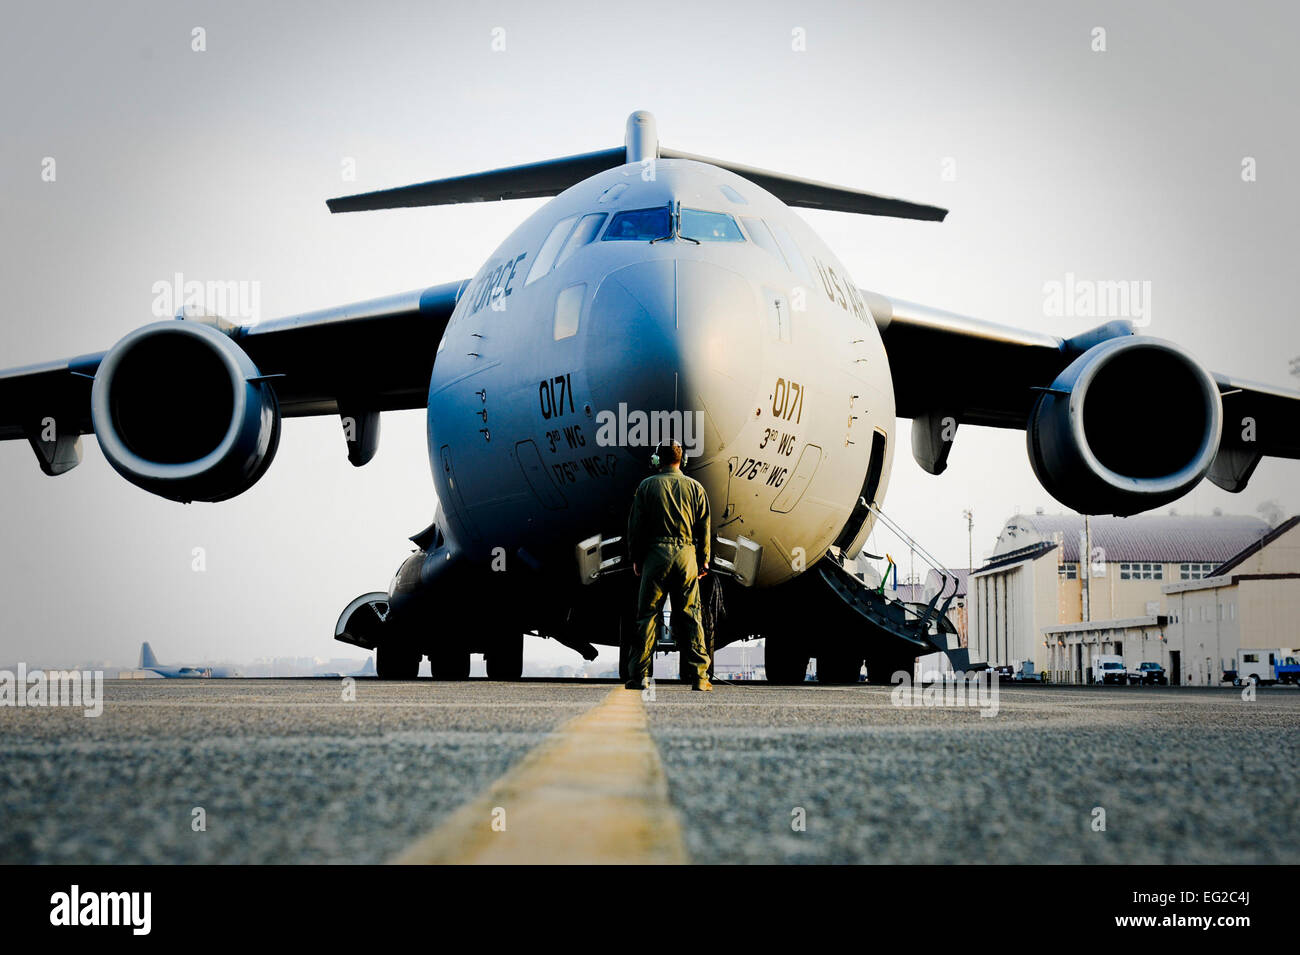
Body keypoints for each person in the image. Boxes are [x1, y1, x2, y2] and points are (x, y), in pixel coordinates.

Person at [625, 441, 712, 691]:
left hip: (655, 556)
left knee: (647, 616)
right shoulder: (696, 488)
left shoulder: (646, 487)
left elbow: (636, 527)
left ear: (657, 461)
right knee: (691, 615)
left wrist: (637, 558)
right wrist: (704, 559)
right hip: (686, 555)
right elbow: (704, 527)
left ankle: (640, 675)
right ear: (682, 460)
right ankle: (699, 677)